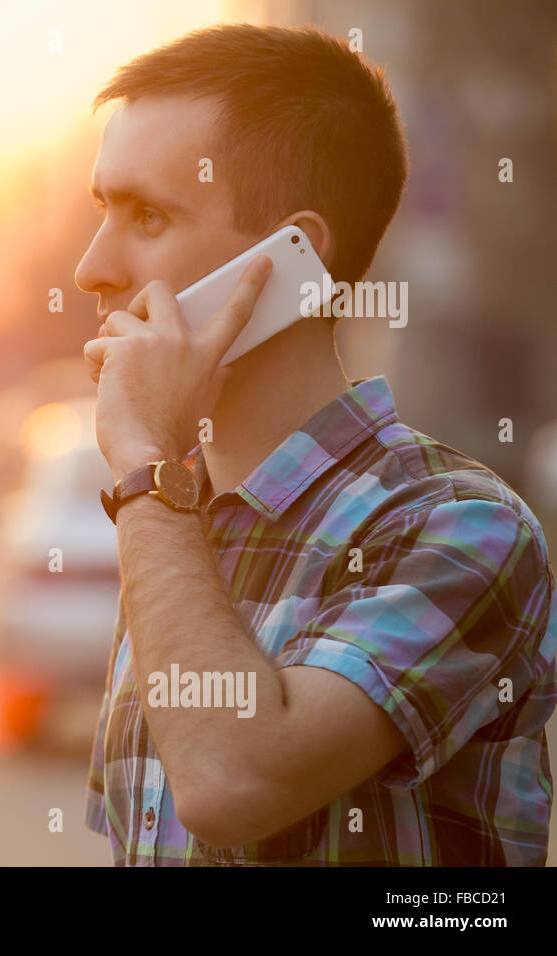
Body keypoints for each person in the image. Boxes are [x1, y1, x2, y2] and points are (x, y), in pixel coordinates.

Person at [77, 23, 555, 865]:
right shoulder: (178, 518)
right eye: (102, 210)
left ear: (289, 261)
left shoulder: (462, 528)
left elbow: (233, 784)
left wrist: (147, 474)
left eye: (147, 215)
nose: (91, 268)